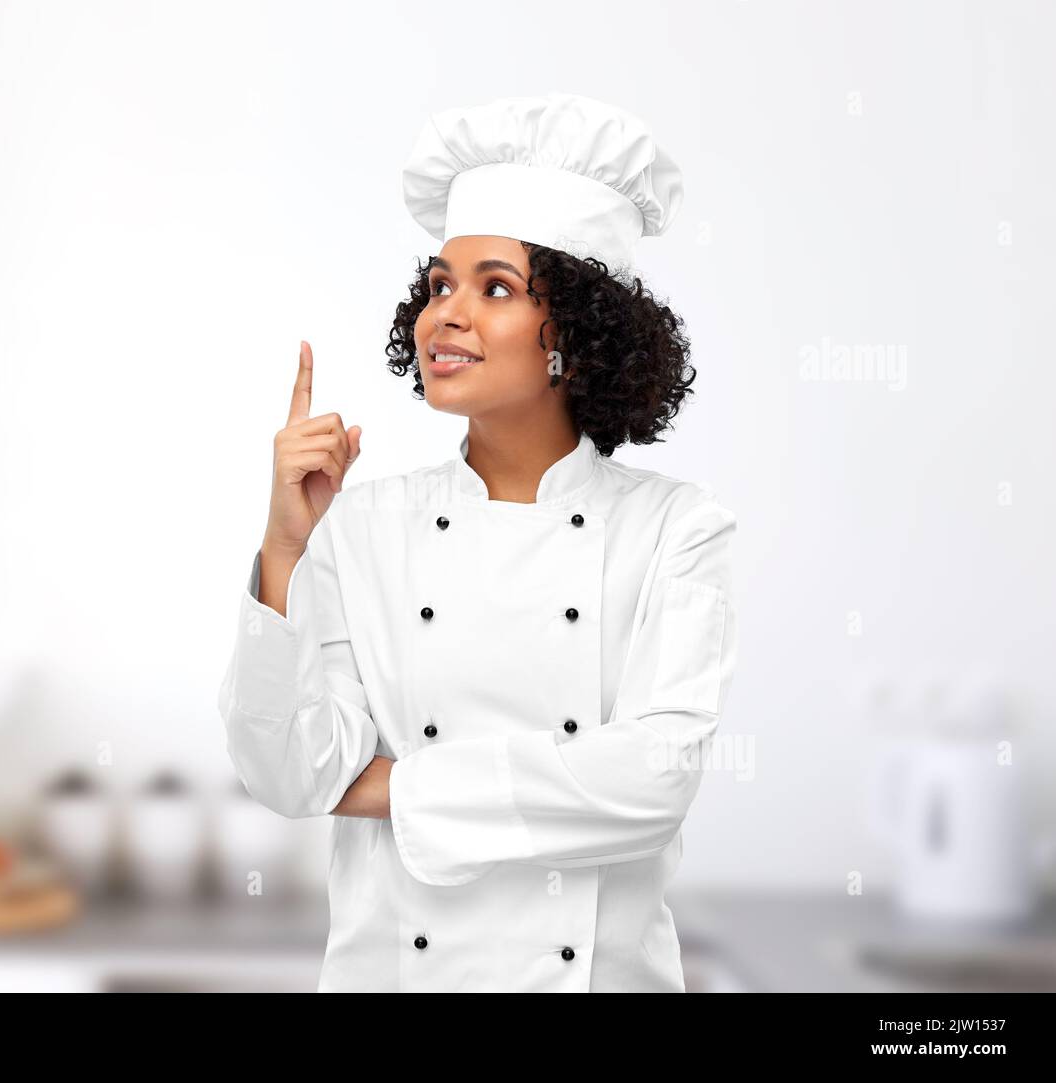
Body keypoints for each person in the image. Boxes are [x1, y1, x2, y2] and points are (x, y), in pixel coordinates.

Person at [217, 92, 738, 992]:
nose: (444, 315)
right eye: (438, 286)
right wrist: (284, 548)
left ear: (574, 333)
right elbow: (287, 772)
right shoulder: (362, 526)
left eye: (494, 287)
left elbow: (653, 782)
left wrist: (389, 787)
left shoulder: (675, 531)